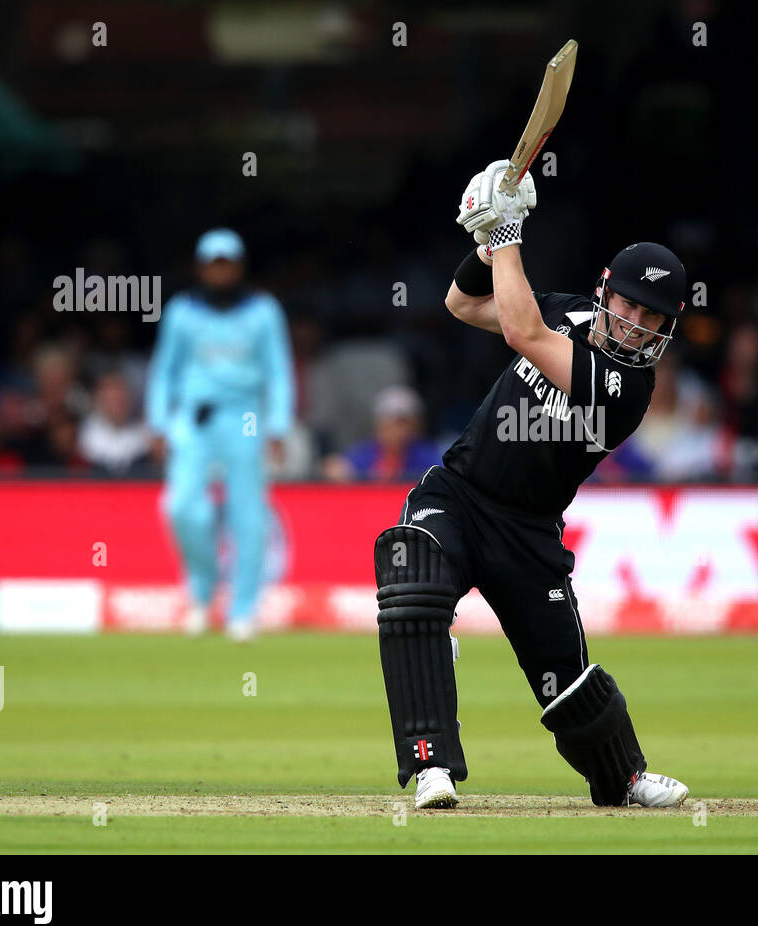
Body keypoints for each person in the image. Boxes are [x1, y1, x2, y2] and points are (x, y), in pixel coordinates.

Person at [372, 159, 689, 811]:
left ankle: (624, 777)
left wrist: (509, 227)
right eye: (630, 303)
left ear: (668, 325)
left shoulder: (627, 388)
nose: (636, 322)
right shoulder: (568, 313)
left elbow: (521, 331)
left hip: (527, 532)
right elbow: (464, 304)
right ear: (606, 290)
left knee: (566, 683)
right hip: (457, 495)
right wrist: (484, 244)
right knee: (412, 581)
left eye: (654, 316)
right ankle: (432, 766)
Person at [146, 229, 294, 641]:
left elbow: (279, 372)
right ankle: (201, 593)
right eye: (213, 264)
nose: (220, 271)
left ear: (239, 266)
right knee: (182, 507)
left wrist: (278, 425)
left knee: (248, 515)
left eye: (227, 263)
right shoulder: (182, 311)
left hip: (245, 417)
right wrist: (158, 422)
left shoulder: (263, 311)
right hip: (194, 419)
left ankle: (243, 609)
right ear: (201, 267)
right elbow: (165, 371)